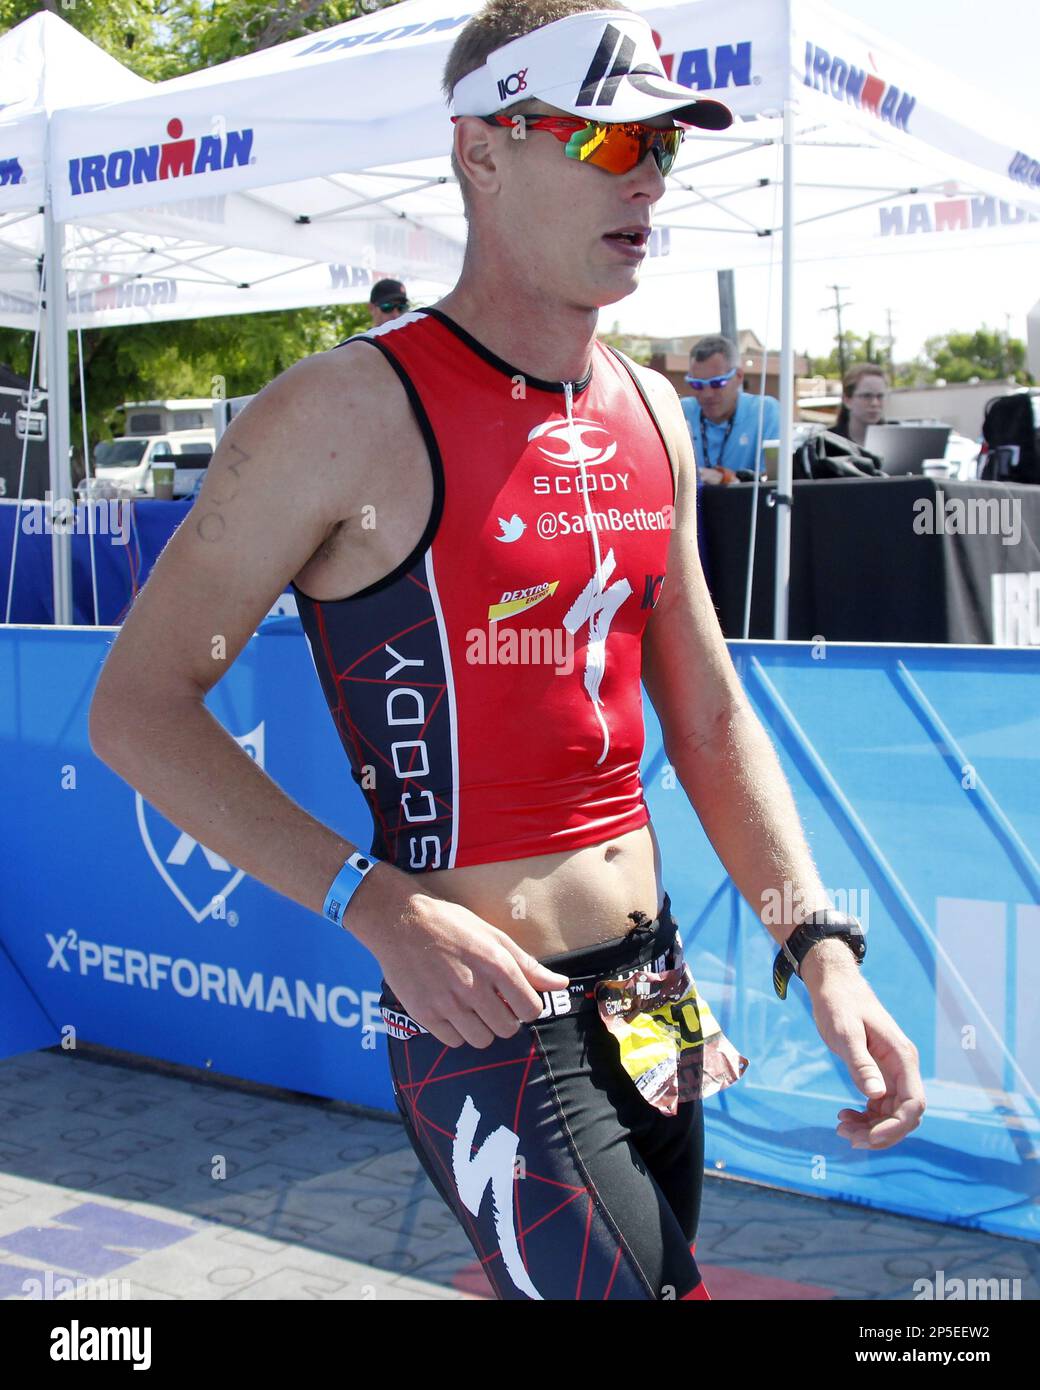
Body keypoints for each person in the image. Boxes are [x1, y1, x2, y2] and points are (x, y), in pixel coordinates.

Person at [88, 0, 925, 1302]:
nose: (648, 176)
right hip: (485, 1012)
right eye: (609, 140)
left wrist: (816, 943)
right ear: (481, 149)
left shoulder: (655, 410)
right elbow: (137, 706)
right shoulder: (340, 412)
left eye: (664, 143)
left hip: (651, 993)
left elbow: (707, 713)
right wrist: (373, 903)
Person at [681, 333, 780, 484]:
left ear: (739, 376)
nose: (707, 394)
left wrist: (725, 479)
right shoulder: (681, 412)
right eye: (697, 384)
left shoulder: (765, 412)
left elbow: (770, 483)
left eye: (717, 383)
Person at [832, 362, 889, 446]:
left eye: (880, 396)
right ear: (847, 400)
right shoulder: (826, 443)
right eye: (867, 396)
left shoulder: (897, 440)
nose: (875, 403)